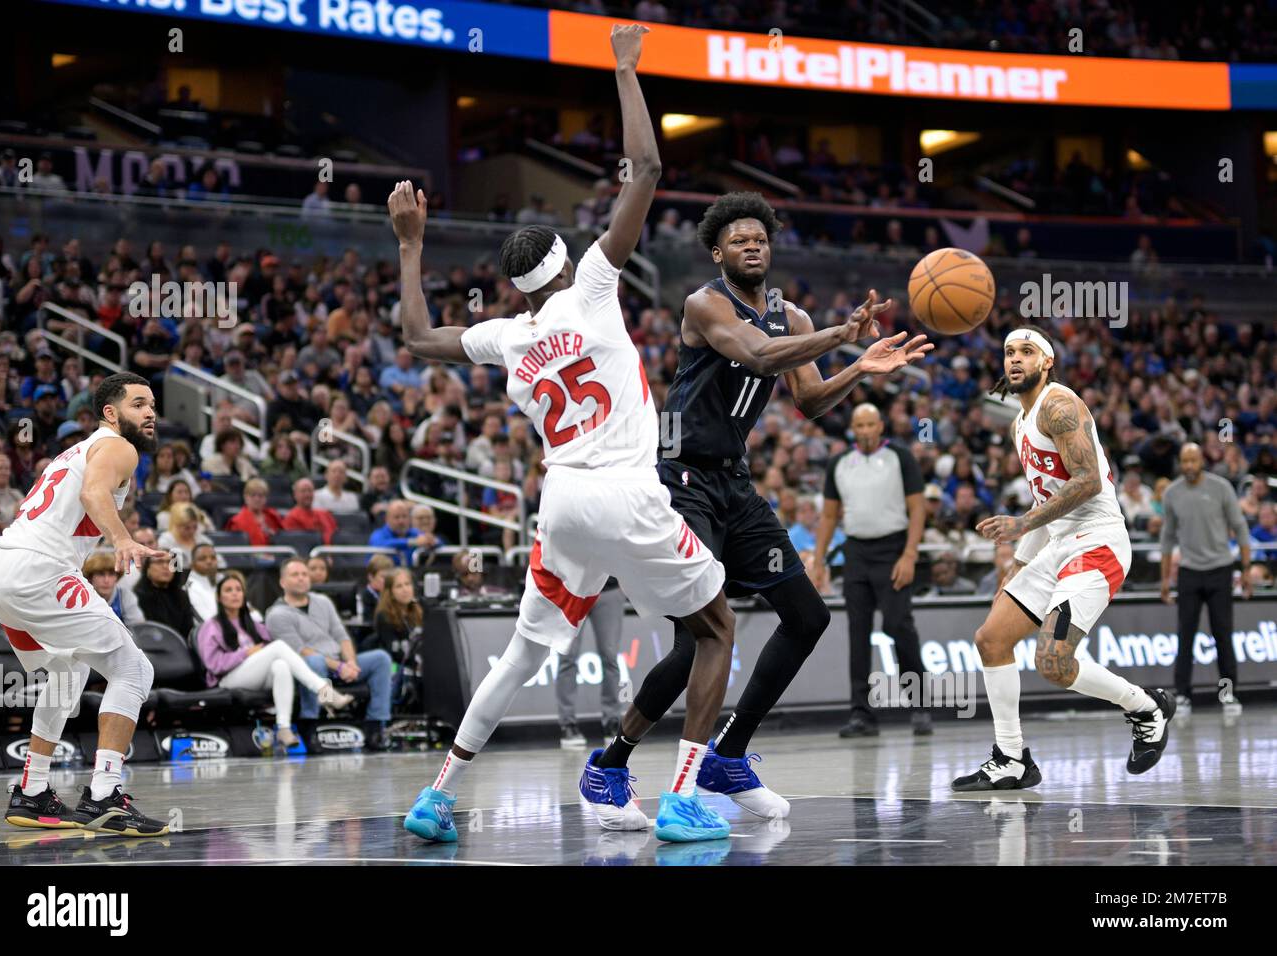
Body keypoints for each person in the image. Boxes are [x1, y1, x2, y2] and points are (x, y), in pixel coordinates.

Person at [396, 24, 738, 846]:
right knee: (716, 628)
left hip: (562, 503)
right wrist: (624, 68)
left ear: (515, 282)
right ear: (563, 254)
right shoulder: (591, 284)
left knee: (521, 654)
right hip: (625, 487)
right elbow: (648, 169)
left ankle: (437, 796)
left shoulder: (508, 334)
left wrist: (409, 245)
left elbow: (416, 338)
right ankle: (686, 797)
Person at [600, 186, 928, 822]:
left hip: (735, 484)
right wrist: (841, 333)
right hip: (681, 482)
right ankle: (624, 766)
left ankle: (729, 753)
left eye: (761, 238)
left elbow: (806, 400)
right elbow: (754, 353)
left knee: (807, 617)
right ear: (717, 251)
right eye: (739, 239)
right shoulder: (703, 305)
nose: (753, 245)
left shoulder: (794, 318)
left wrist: (858, 367)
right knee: (700, 639)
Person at [953, 326, 1175, 793]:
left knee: (1053, 663)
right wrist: (1017, 567)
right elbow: (1045, 498)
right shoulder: (1018, 423)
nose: (1015, 359)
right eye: (1009, 352)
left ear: (1046, 361)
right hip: (1058, 543)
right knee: (991, 639)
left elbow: (1089, 480)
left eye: (1026, 352)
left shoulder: (1060, 405)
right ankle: (1011, 758)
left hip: (1098, 541)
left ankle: (1145, 706)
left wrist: (1020, 524)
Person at [0, 372, 171, 835]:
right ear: (111, 412)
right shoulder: (119, 447)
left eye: (152, 405)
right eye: (139, 404)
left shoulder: (72, 453)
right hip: (42, 571)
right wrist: (123, 539)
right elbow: (93, 494)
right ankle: (104, 796)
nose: (149, 412)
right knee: (135, 670)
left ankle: (32, 790)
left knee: (69, 671)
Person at [818, 403, 932, 738]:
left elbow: (917, 508)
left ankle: (920, 703)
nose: (865, 430)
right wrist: (819, 561)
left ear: (880, 426)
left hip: (893, 550)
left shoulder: (901, 457)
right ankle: (862, 714)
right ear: (853, 428)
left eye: (871, 424)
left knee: (899, 626)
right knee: (858, 633)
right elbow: (828, 516)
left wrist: (910, 554)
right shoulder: (839, 463)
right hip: (856, 552)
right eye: (859, 425)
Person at [198, 570, 353, 748]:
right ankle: (324, 691)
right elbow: (214, 665)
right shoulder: (211, 627)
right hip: (227, 679)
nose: (234, 594)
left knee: (281, 665)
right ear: (218, 597)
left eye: (238, 590)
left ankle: (284, 728)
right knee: (278, 647)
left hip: (254, 677)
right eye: (228, 590)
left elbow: (270, 651)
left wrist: (257, 653)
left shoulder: (253, 624)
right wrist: (246, 653)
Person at [265, 558, 395, 751]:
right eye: (295, 575)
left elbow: (341, 636)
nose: (301, 578)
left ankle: (375, 727)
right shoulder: (276, 614)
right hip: (307, 669)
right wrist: (340, 666)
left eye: (304, 574)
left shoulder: (323, 602)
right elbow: (300, 650)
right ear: (282, 582)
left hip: (339, 663)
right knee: (314, 661)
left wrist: (351, 663)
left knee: (381, 659)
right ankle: (311, 725)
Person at [1160, 442, 1251, 717]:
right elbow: (1167, 538)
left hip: (1221, 570)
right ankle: (1183, 696)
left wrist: (1246, 569)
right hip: (1188, 572)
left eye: (1193, 460)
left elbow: (1240, 527)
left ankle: (1229, 694)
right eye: (1184, 461)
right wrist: (1165, 579)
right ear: (1180, 462)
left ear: (1202, 461)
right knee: (1184, 636)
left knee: (1223, 635)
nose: (1189, 466)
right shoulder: (1172, 493)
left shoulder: (1221, 487)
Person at [556, 577, 625, 749]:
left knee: (610, 658)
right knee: (567, 658)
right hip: (573, 590)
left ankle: (612, 721)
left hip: (609, 590)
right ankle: (567, 724)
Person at [363, 567, 423, 712]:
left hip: (417, 664)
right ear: (390, 592)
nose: (405, 590)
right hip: (393, 665)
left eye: (407, 584)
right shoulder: (383, 615)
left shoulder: (419, 610)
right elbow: (394, 650)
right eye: (399, 586)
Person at [133, 553, 197, 637]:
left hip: (180, 647)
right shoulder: (137, 597)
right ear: (148, 569)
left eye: (170, 563)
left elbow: (189, 630)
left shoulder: (181, 596)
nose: (166, 566)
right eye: (159, 562)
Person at [82, 550, 145, 626]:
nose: (106, 580)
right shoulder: (82, 597)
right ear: (90, 578)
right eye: (101, 574)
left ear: (117, 577)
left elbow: (138, 628)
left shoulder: (125, 596)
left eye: (111, 574)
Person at [368, 500, 435, 567]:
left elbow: (437, 542)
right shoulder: (378, 534)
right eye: (397, 517)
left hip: (410, 573)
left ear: (409, 518)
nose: (401, 521)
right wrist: (412, 542)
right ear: (387, 519)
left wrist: (430, 541)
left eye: (404, 516)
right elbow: (379, 545)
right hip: (384, 574)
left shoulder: (414, 532)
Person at [224, 478, 284, 546]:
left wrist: (275, 538)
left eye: (261, 496)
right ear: (245, 497)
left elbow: (283, 541)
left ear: (266, 498)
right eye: (253, 495)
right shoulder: (237, 522)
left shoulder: (273, 517)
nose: (257, 499)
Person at [282, 477, 338, 545]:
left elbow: (336, 536)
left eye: (310, 490)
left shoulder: (325, 514)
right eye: (303, 491)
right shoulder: (291, 518)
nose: (307, 494)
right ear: (295, 495)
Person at [157, 501, 213, 567]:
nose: (192, 531)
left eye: (195, 527)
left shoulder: (204, 541)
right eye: (187, 528)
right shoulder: (165, 542)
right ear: (177, 525)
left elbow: (219, 563)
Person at [185, 542, 220, 622]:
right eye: (202, 559)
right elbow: (205, 620)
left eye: (213, 558)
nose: (209, 561)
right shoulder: (190, 588)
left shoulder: (225, 580)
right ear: (192, 565)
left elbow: (250, 612)